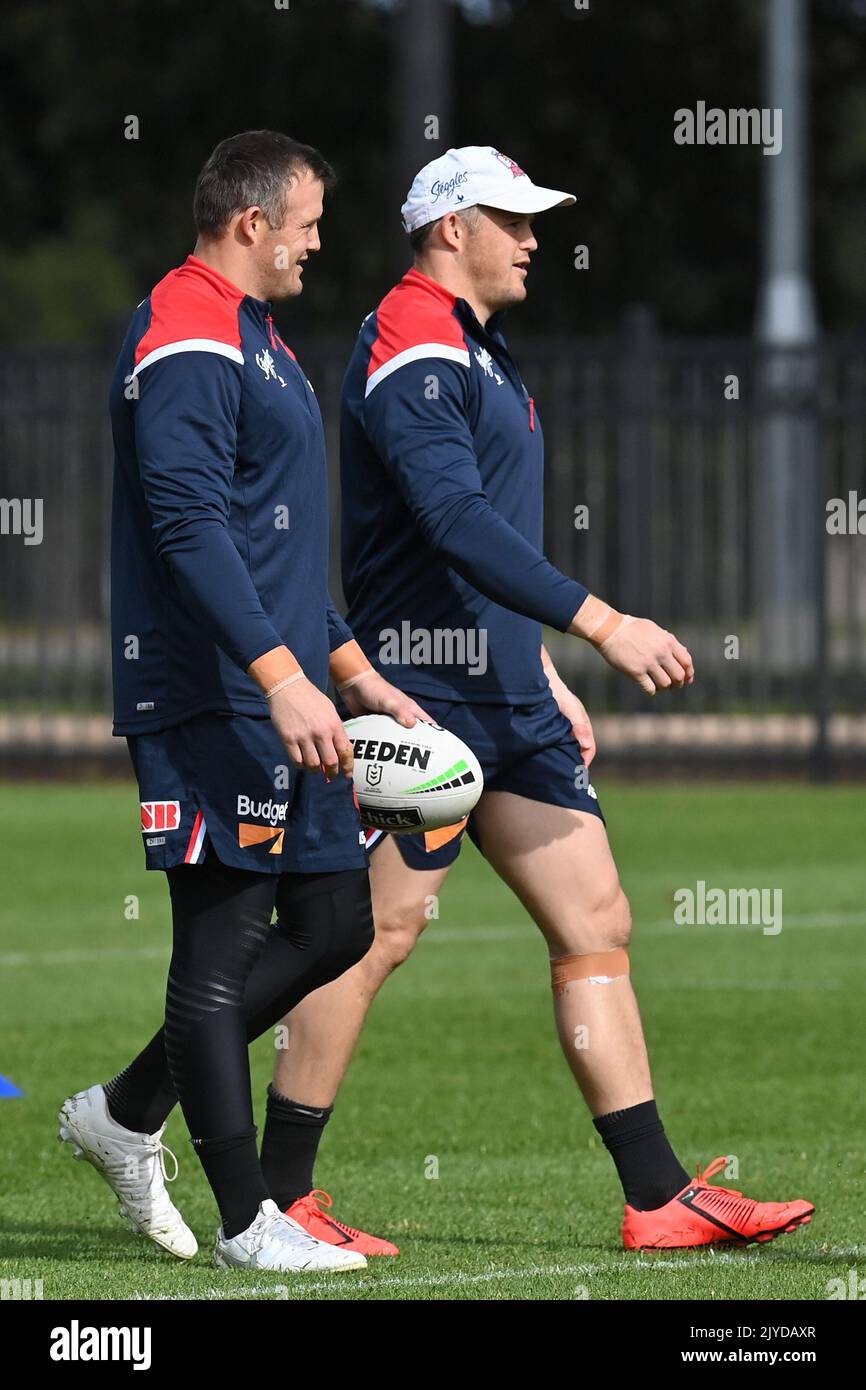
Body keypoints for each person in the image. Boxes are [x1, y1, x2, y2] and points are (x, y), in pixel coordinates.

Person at [263, 146, 814, 1255]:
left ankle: (655, 1197)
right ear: (448, 228)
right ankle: (272, 1193)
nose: (531, 239)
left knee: (592, 918)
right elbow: (454, 521)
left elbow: (478, 545)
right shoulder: (412, 339)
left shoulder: (474, 345)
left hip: (503, 695)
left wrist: (542, 670)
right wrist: (601, 625)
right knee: (372, 934)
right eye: (510, 219)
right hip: (423, 701)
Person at [58, 130, 426, 1273]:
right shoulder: (187, 326)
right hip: (212, 693)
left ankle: (124, 1110)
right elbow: (186, 526)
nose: (319, 243)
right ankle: (243, 1224)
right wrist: (275, 676)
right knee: (217, 952)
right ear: (249, 223)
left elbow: (271, 541)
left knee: (335, 925)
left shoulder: (257, 334)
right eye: (306, 223)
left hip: (285, 688)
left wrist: (352, 672)